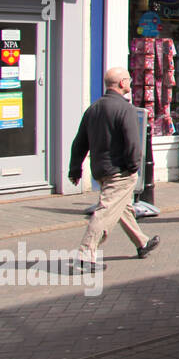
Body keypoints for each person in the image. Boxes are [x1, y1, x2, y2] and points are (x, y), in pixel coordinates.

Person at [68, 67, 159, 271]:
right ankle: (86, 254)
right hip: (120, 171)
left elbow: (79, 142)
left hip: (100, 170)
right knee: (106, 211)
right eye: (128, 79)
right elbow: (133, 142)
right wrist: (134, 166)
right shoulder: (124, 109)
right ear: (121, 84)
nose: (130, 83)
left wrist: (75, 169)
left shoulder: (93, 109)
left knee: (123, 207)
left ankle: (141, 243)